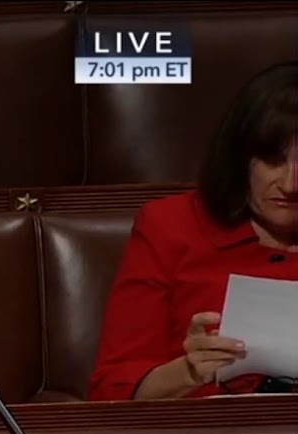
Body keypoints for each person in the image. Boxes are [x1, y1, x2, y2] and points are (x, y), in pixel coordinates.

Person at [90, 61, 298, 401]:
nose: (292, 184)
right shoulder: (171, 226)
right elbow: (111, 393)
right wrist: (188, 371)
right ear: (240, 159)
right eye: (273, 160)